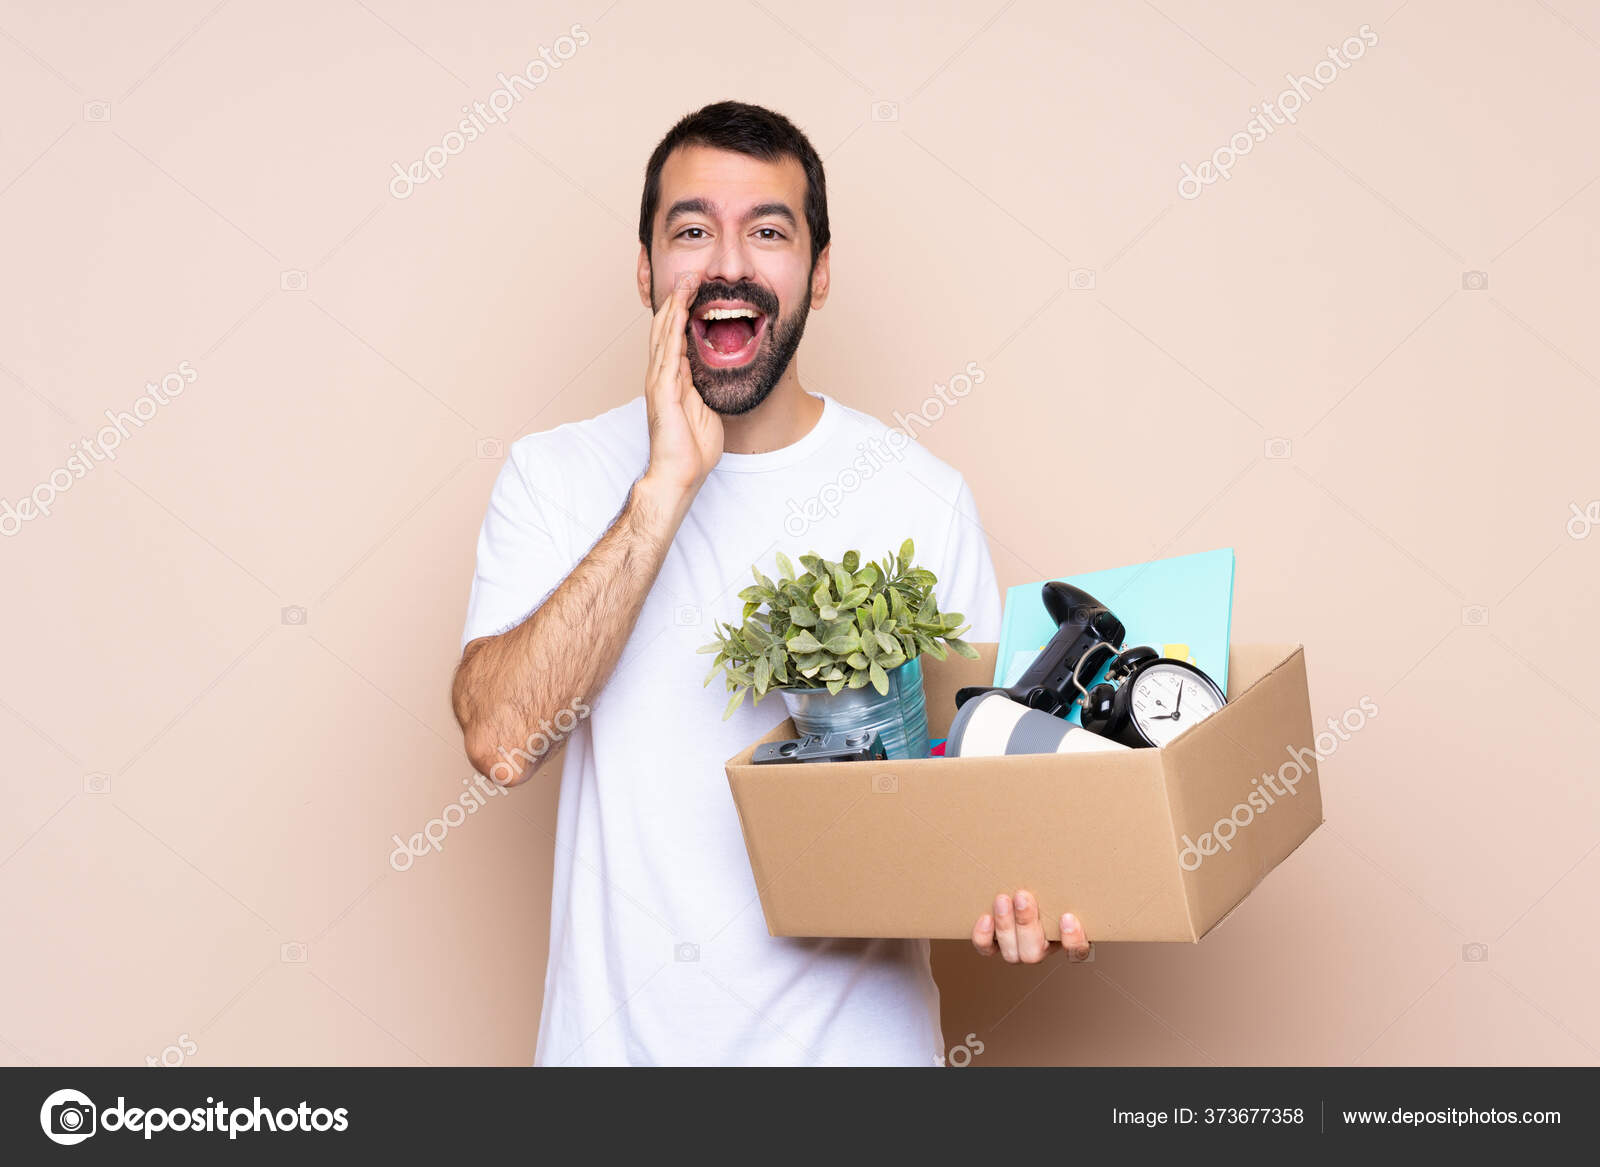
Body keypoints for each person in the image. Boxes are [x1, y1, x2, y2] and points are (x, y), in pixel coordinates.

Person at [451, 100, 1091, 1067]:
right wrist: (666, 489)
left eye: (769, 232)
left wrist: (1028, 895)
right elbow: (501, 740)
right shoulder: (557, 475)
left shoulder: (919, 497)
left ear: (819, 273)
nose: (729, 263)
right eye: (693, 229)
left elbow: (976, 796)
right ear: (646, 269)